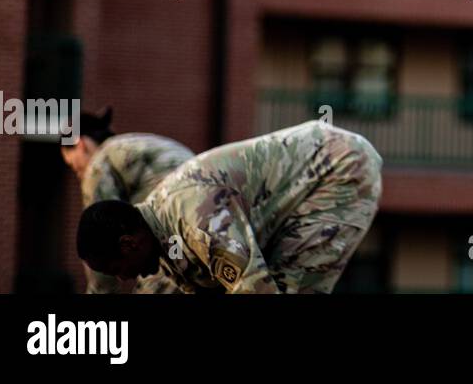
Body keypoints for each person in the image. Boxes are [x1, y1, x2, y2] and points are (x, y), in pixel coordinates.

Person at [76, 119, 382, 294]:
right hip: (298, 190)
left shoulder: (195, 219)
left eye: (116, 269)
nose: (122, 280)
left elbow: (254, 288)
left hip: (337, 168)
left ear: (128, 244)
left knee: (287, 289)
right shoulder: (162, 241)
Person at [60, 107, 192, 293]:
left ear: (80, 144)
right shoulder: (132, 143)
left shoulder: (98, 165)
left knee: (157, 286)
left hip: (173, 235)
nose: (80, 175)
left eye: (75, 167)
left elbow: (100, 241)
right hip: (194, 224)